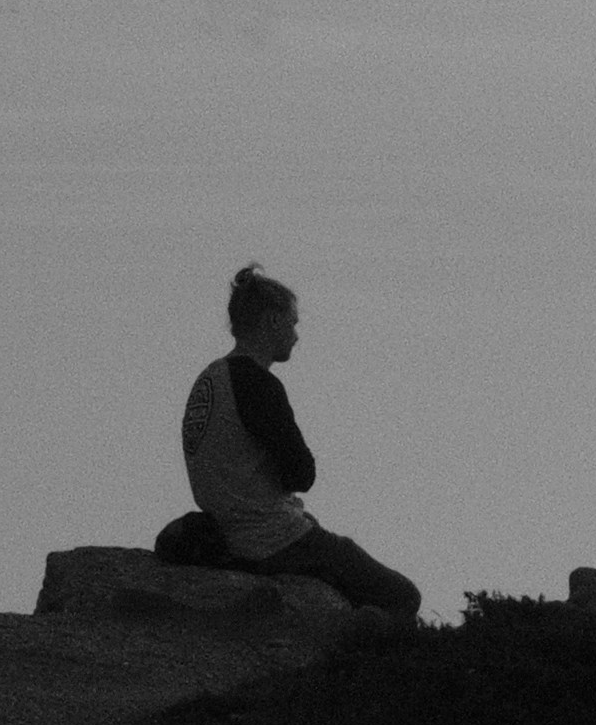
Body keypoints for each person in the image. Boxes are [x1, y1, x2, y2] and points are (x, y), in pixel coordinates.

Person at [161, 262, 424, 620]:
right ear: (272, 321)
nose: (296, 335)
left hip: (224, 531)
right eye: (293, 322)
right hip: (269, 539)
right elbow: (301, 474)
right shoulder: (258, 383)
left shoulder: (208, 380)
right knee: (402, 596)